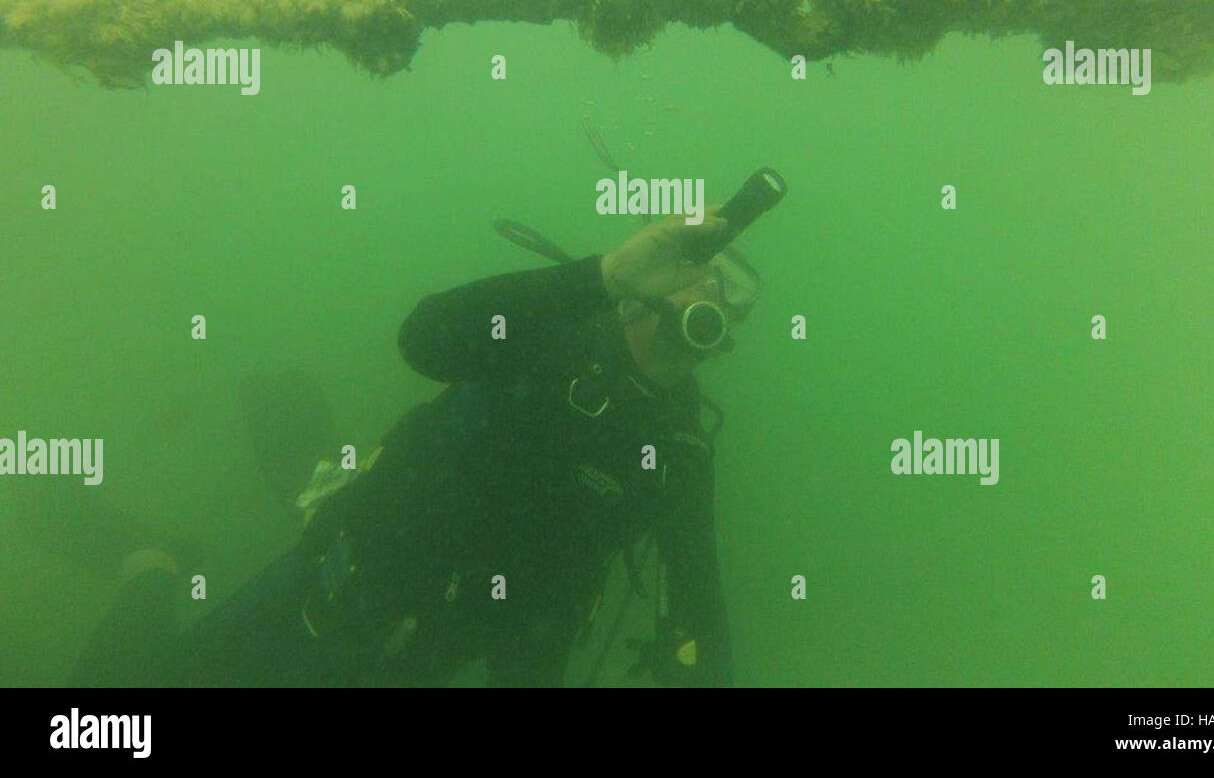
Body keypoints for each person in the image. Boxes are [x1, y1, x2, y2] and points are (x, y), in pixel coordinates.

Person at [73, 211, 748, 687]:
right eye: (706, 271)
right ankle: (154, 564)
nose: (714, 298)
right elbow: (424, 338)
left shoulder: (680, 453)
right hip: (340, 574)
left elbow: (702, 612)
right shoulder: (556, 331)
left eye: (735, 301)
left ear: (727, 340)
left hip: (438, 652)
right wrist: (600, 276)